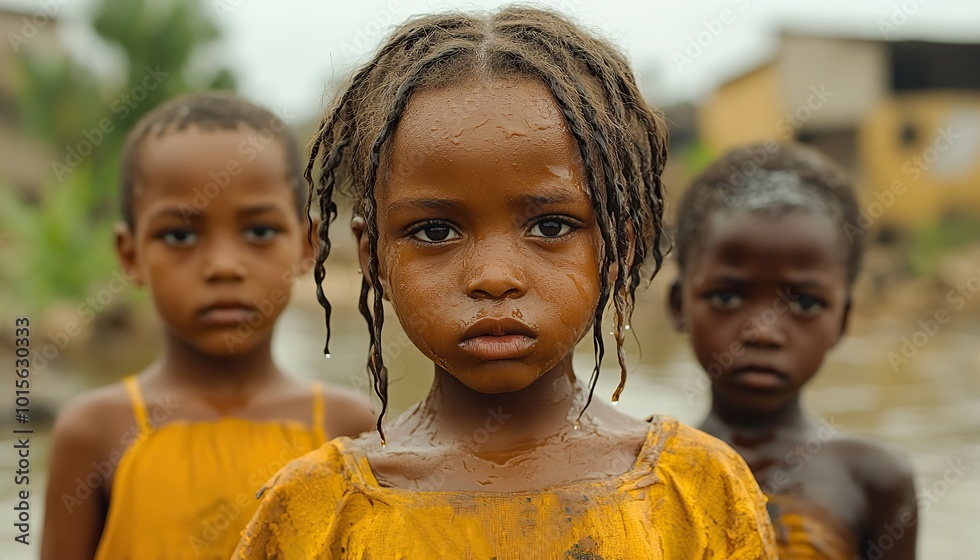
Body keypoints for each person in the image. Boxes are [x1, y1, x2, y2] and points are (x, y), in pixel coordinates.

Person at [234, 8, 778, 559]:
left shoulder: (698, 489)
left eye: (550, 226)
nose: (495, 277)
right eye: (435, 230)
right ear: (375, 260)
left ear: (620, 247)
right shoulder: (316, 510)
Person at [40, 91, 376, 560]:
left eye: (259, 231)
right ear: (131, 255)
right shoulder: (95, 431)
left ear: (307, 246)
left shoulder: (346, 425)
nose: (222, 266)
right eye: (179, 235)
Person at [667, 142, 918, 559]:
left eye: (804, 303)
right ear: (679, 305)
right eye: (727, 296)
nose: (763, 333)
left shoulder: (873, 479)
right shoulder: (643, 466)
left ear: (842, 320)